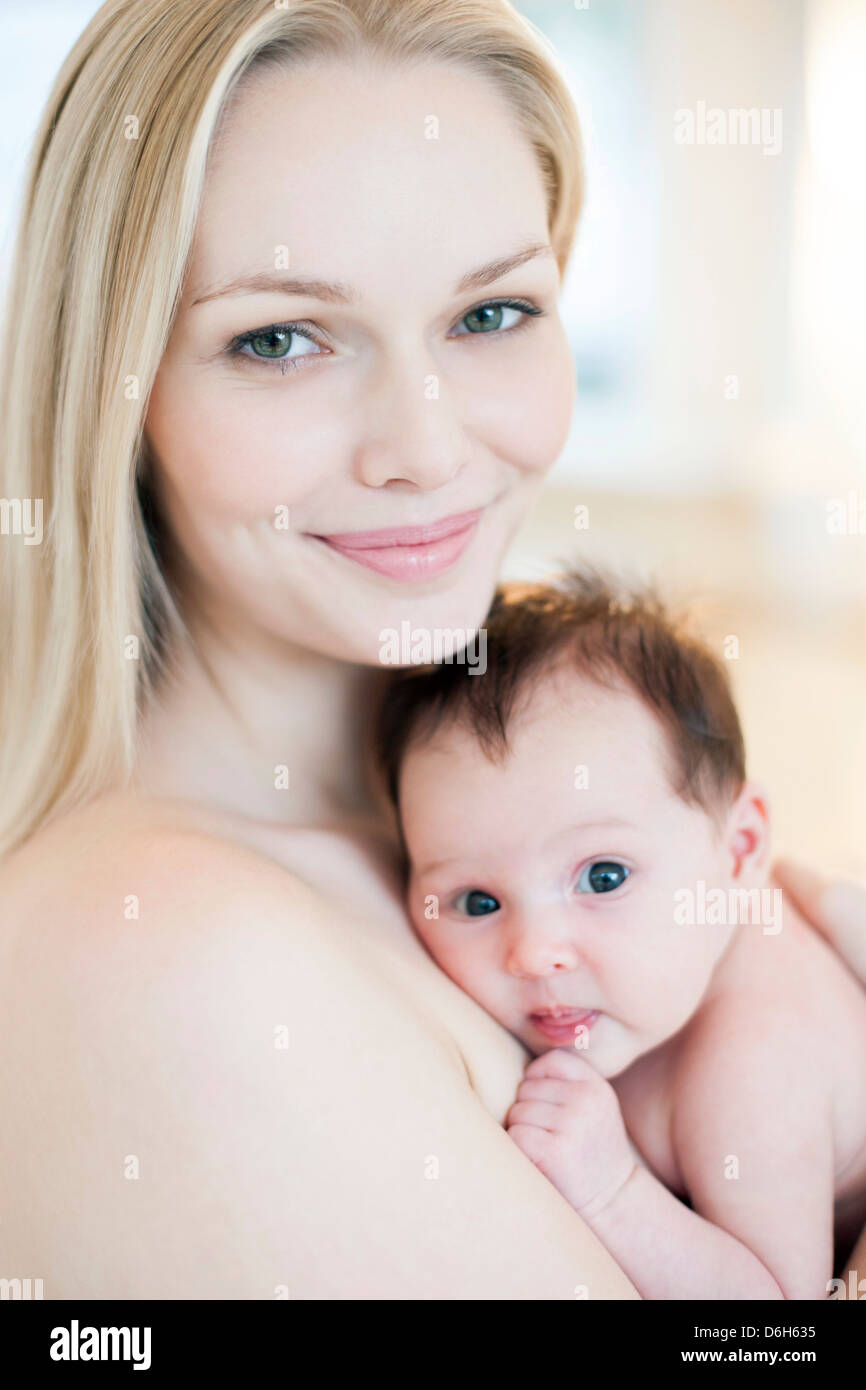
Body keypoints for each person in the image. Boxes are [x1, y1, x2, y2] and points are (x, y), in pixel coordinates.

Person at [0, 0, 862, 1300]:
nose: (426, 444)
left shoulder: (558, 734)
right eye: (279, 337)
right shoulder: (167, 962)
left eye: (490, 315)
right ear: (113, 388)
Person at [374, 570, 866, 1299]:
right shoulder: (644, 980)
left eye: (602, 878)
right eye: (477, 900)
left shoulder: (753, 1068)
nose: (536, 952)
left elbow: (775, 1331)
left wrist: (613, 1191)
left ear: (737, 852)